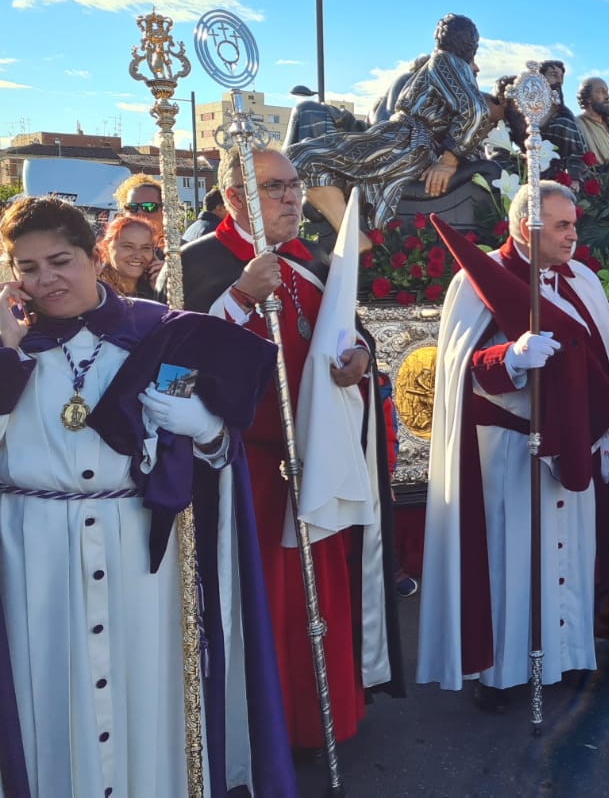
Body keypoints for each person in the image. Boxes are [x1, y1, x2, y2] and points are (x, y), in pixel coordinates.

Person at [0, 195, 294, 795]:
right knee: (49, 693)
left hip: (138, 547)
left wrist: (206, 430)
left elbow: (208, 460)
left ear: (92, 254)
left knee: (146, 688)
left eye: (59, 261)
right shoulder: (9, 341)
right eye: (27, 268)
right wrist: (5, 354)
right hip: (34, 553)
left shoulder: (160, 333)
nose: (45, 279)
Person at [162, 146, 400, 749]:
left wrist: (361, 359)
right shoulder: (194, 264)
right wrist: (239, 297)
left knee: (318, 597)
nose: (293, 197)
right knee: (258, 601)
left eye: (295, 185)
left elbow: (352, 332)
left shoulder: (313, 258)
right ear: (236, 196)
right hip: (241, 470)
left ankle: (325, 716)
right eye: (274, 187)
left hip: (314, 461)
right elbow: (170, 371)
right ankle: (260, 736)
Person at [417, 181, 609, 710]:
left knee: (573, 552)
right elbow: (461, 369)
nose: (573, 235)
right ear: (523, 227)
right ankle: (505, 672)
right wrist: (509, 357)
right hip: (510, 449)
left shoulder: (585, 282)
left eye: (573, 224)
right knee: (513, 559)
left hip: (575, 444)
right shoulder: (475, 280)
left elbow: (603, 371)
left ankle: (569, 657)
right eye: (560, 225)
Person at [288, 13, 499, 227]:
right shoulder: (449, 64)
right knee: (302, 157)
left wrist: (448, 161)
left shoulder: (444, 60)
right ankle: (348, 231)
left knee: (301, 155)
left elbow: (476, 110)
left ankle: (351, 234)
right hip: (404, 141)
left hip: (404, 143)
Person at [536, 60, 593, 181]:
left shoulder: (564, 115)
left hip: (561, 178)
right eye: (553, 74)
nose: (559, 81)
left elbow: (577, 152)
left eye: (561, 76)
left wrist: (574, 177)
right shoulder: (526, 109)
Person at [98, 214, 159, 299]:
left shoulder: (153, 286)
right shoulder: (94, 289)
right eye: (128, 246)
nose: (137, 255)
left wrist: (161, 288)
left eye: (145, 248)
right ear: (107, 247)